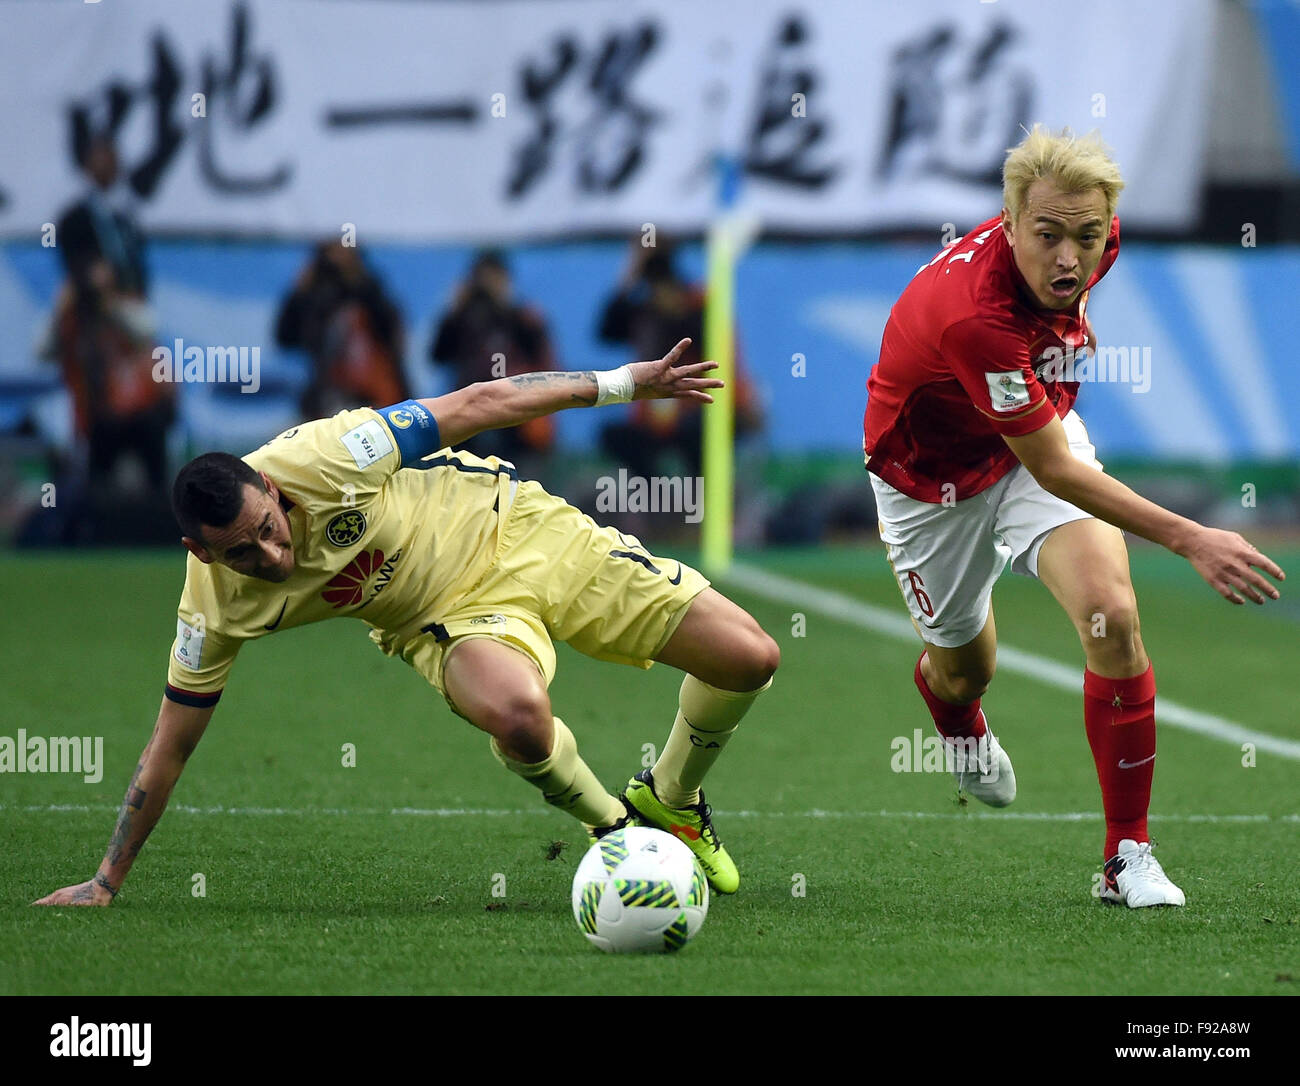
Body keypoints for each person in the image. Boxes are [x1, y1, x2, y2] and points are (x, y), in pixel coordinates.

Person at [34, 339, 778, 909]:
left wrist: (625, 383)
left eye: (268, 525)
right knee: (519, 717)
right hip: (439, 619)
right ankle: (617, 832)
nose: (272, 553)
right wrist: (105, 880)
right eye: (242, 552)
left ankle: (670, 800)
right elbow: (171, 744)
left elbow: (481, 402)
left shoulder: (328, 456)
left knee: (749, 657)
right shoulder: (212, 608)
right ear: (199, 550)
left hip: (523, 530)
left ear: (268, 485)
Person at [862, 126, 1285, 909]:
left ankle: (1127, 854)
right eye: (1047, 235)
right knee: (965, 668)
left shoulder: (1100, 239)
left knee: (1112, 616)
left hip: (1032, 434)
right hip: (929, 481)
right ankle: (953, 716)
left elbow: (1046, 457)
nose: (1068, 258)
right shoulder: (974, 316)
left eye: (1085, 238)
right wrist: (1191, 536)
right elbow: (1054, 468)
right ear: (1010, 221)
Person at [48, 134, 174, 514]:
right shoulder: (76, 218)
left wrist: (121, 298)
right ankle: (90, 514)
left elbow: (140, 281)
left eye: (112, 159)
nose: (107, 166)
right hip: (93, 326)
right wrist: (89, 287)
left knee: (151, 411)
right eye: (99, 159)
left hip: (127, 313)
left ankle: (157, 516)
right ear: (87, 165)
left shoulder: (125, 219)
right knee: (95, 416)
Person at [598, 238, 761, 481]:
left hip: (707, 407)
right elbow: (606, 331)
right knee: (614, 435)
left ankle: (702, 497)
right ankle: (661, 496)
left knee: (697, 430)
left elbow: (718, 350)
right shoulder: (645, 312)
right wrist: (630, 273)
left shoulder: (701, 305)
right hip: (660, 417)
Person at [429, 251, 558, 477]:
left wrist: (504, 305)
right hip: (468, 406)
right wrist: (453, 311)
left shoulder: (521, 318)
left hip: (514, 411)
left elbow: (542, 358)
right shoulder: (463, 318)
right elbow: (437, 355)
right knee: (467, 474)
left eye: (495, 278)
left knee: (516, 477)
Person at [275, 242, 408, 419]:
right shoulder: (315, 297)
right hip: (328, 393)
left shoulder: (372, 293)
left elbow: (393, 335)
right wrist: (299, 293)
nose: (340, 257)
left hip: (377, 394)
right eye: (333, 251)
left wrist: (358, 281)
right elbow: (285, 337)